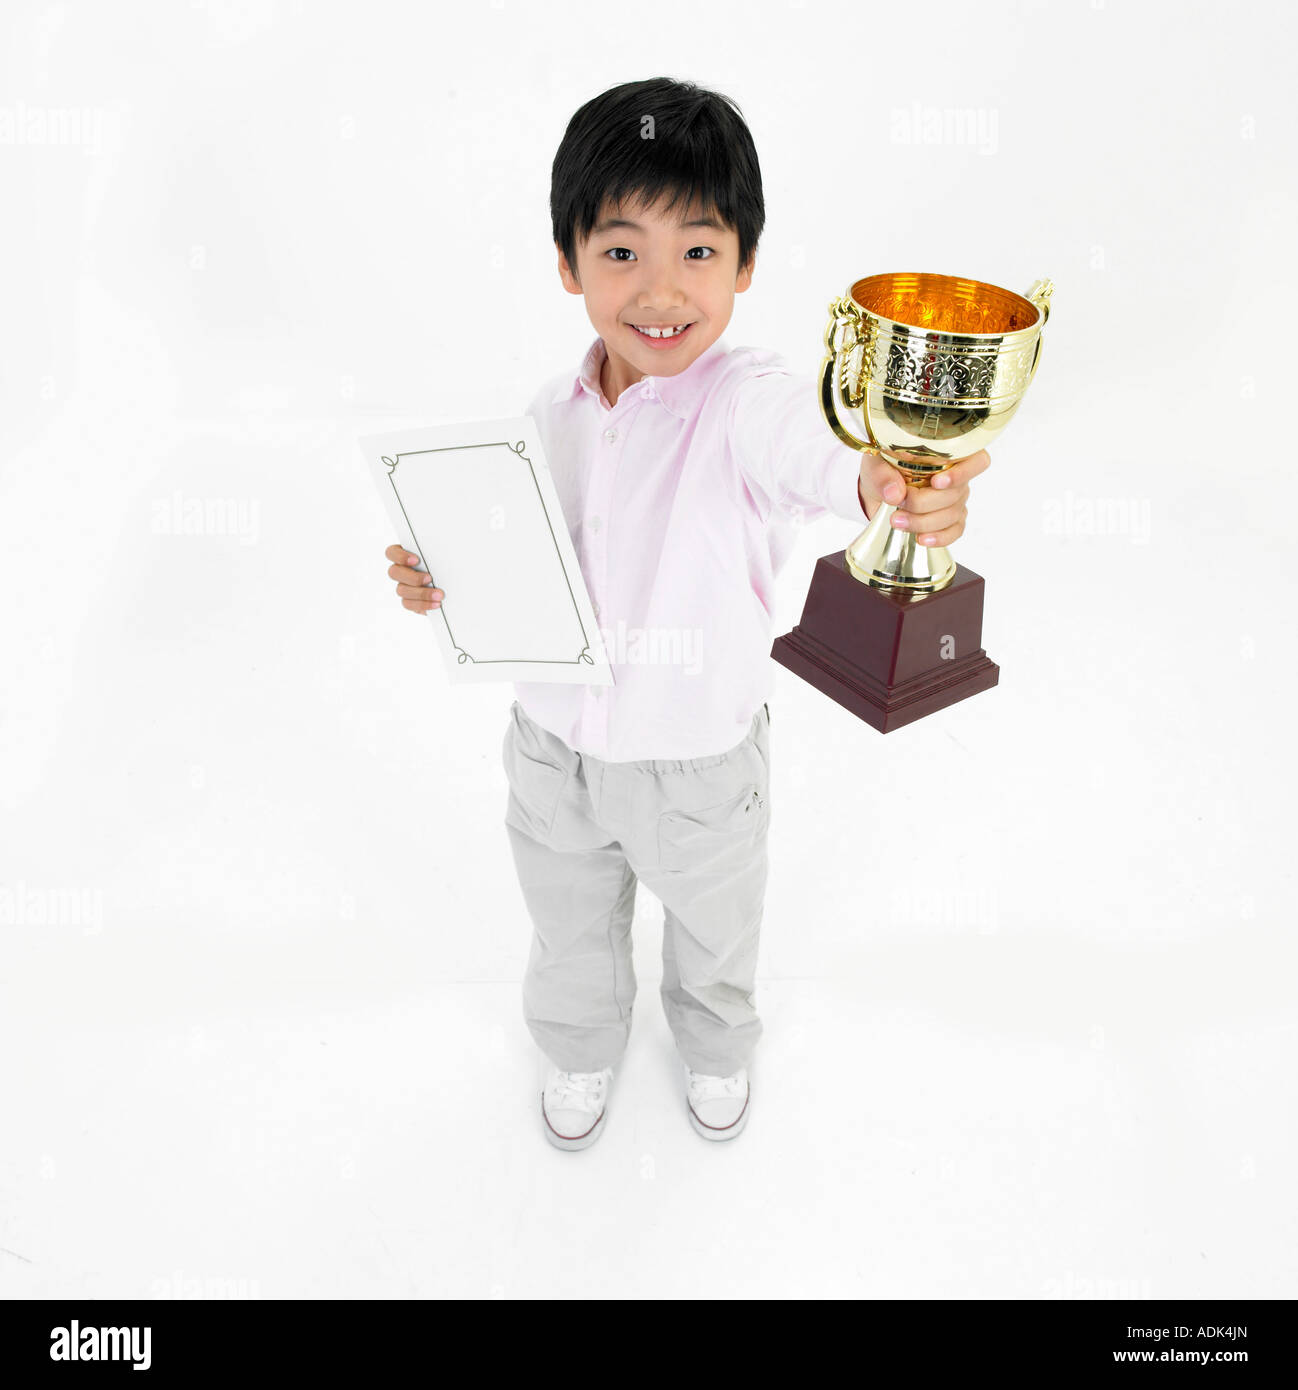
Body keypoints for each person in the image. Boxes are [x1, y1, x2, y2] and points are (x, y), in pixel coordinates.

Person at [383, 78, 991, 1152]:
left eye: (698, 251)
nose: (660, 289)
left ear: (745, 265)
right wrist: (446, 581)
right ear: (567, 264)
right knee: (566, 925)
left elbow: (809, 454)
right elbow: (527, 552)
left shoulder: (746, 399)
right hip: (552, 747)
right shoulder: (543, 414)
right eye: (621, 251)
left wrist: (888, 482)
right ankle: (577, 1042)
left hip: (698, 763)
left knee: (714, 934)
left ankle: (713, 1046)